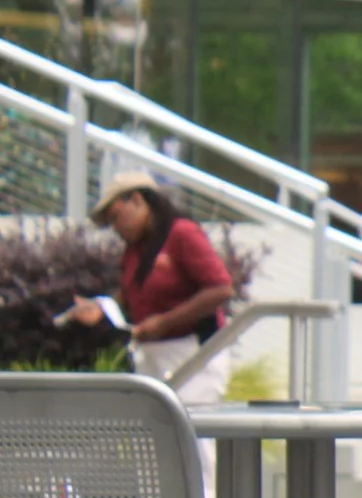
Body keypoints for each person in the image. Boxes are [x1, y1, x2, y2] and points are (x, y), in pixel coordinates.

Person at [70, 170, 237, 403]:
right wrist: (101, 307)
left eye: (116, 217)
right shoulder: (135, 249)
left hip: (191, 352)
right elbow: (131, 293)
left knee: (189, 433)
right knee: (160, 435)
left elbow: (220, 288)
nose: (115, 227)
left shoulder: (182, 233)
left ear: (138, 200)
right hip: (152, 355)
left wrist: (164, 322)